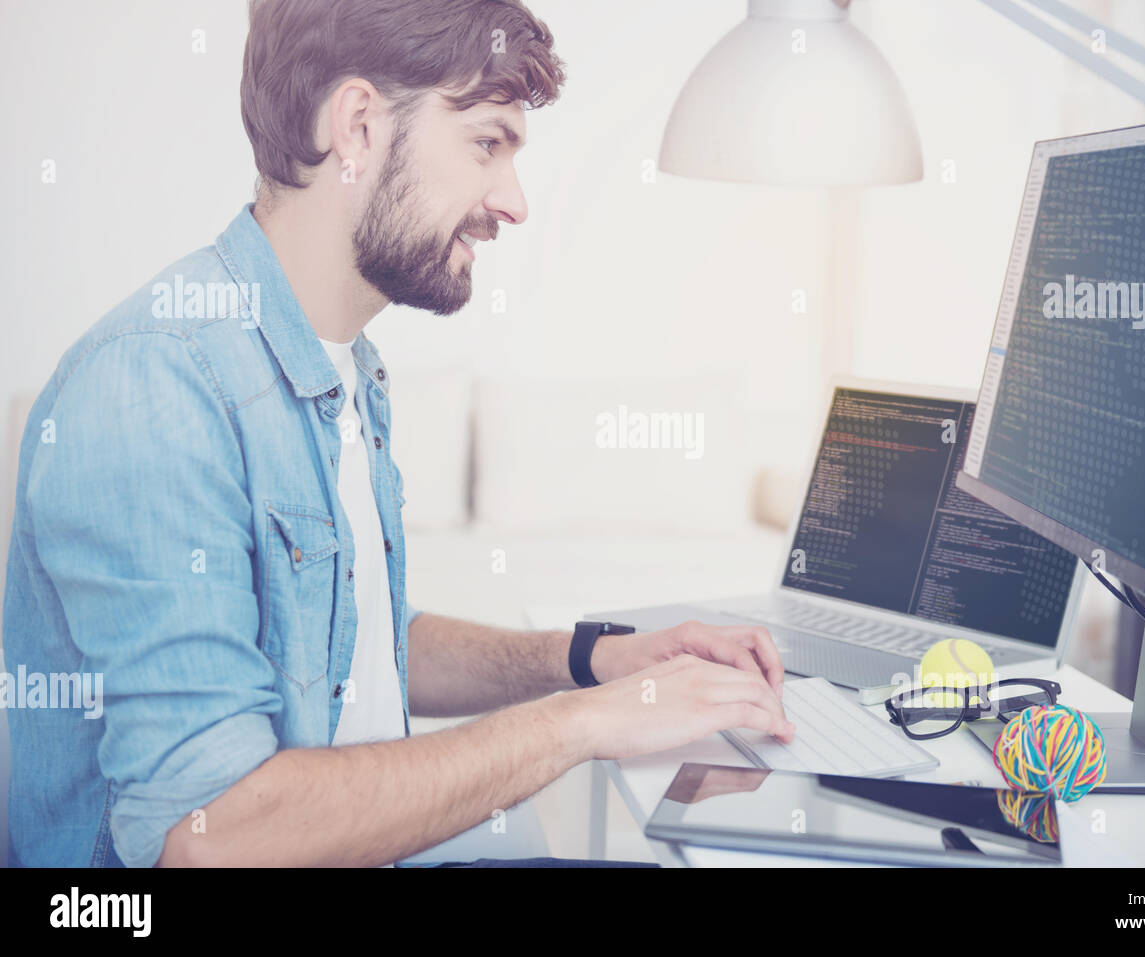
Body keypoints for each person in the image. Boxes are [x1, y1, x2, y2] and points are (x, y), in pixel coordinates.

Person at [3, 0, 793, 867]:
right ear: (360, 126)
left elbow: (357, 645)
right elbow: (214, 835)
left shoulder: (345, 367)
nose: (514, 202)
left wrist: (593, 659)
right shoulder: (154, 386)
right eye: (487, 143)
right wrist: (586, 723)